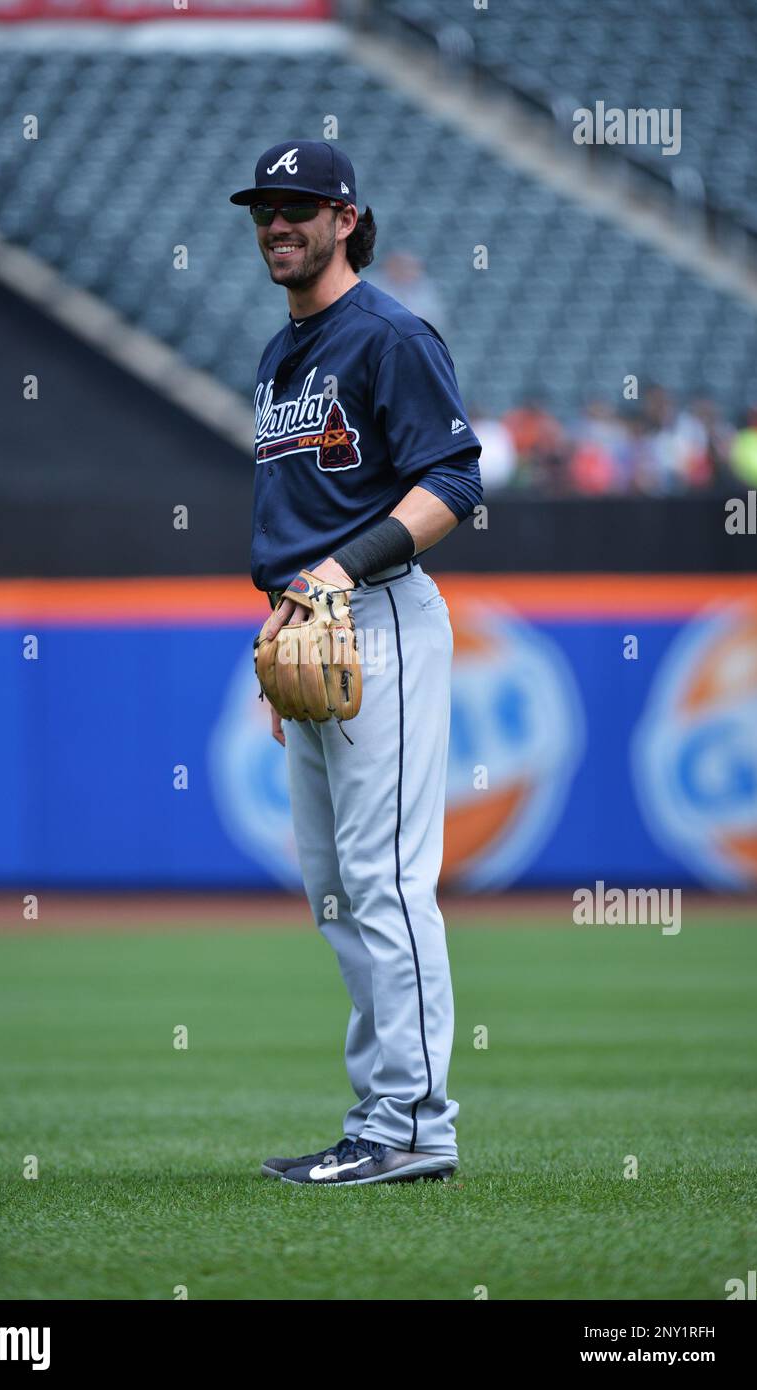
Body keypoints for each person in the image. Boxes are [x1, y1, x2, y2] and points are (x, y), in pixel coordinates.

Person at [230, 140, 483, 1187]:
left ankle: (415, 1123)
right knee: (335, 886)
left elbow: (454, 484)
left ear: (346, 220)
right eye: (264, 207)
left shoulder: (386, 335)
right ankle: (380, 1113)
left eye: (299, 205)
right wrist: (287, 626)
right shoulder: (280, 353)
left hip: (377, 617)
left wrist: (333, 577)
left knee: (384, 877)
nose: (277, 222)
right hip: (314, 632)